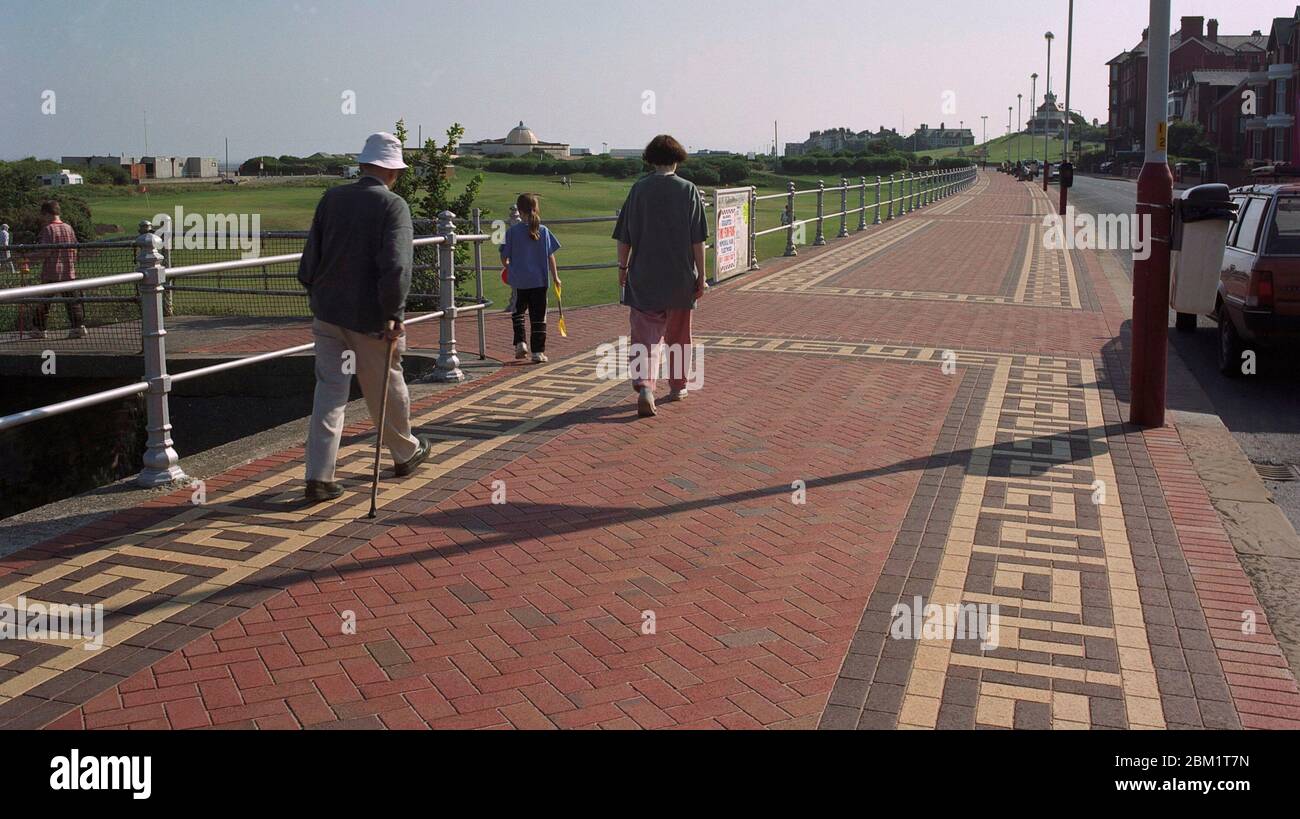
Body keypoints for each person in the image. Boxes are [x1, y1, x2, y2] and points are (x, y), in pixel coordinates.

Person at [297, 132, 432, 504]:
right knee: (385, 388)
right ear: (393, 171)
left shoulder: (331, 198)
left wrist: (316, 294)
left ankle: (318, 476)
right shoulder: (393, 206)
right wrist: (394, 313)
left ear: (364, 164)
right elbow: (397, 266)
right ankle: (405, 452)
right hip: (371, 318)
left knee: (329, 393)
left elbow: (309, 260)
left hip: (327, 314)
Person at [612, 134, 708, 418]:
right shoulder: (688, 190)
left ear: (650, 159)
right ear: (677, 159)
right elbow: (698, 240)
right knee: (679, 336)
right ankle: (678, 387)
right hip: (679, 277)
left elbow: (624, 237)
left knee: (644, 337)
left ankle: (644, 386)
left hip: (644, 277)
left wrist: (622, 267)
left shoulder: (638, 189)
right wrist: (701, 276)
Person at [500, 193, 562, 363]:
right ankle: (538, 352)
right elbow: (550, 256)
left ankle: (520, 342)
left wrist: (509, 267)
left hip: (520, 282)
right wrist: (556, 277)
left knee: (518, 312)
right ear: (536, 209)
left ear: (519, 211)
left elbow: (504, 257)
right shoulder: (543, 230)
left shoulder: (512, 232)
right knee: (538, 317)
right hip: (540, 281)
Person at [32, 202, 87, 340]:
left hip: (51, 271)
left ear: (47, 214)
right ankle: (78, 327)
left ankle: (40, 329)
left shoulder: (48, 229)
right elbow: (75, 247)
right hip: (68, 271)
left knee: (44, 303)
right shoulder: (68, 228)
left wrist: (29, 257)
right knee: (72, 302)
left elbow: (45, 252)